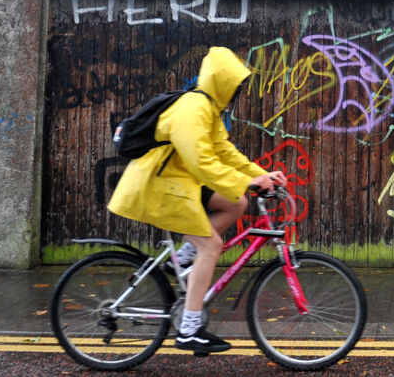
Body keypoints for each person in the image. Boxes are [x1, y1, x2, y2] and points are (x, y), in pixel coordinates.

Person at [107, 46, 285, 354]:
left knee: (237, 202)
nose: (236, 93)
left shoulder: (209, 110)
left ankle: (182, 258)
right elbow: (202, 162)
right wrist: (249, 181)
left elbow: (226, 154)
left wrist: (261, 175)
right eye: (235, 86)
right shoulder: (192, 108)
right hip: (160, 188)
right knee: (212, 245)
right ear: (222, 82)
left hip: (178, 185)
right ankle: (189, 329)